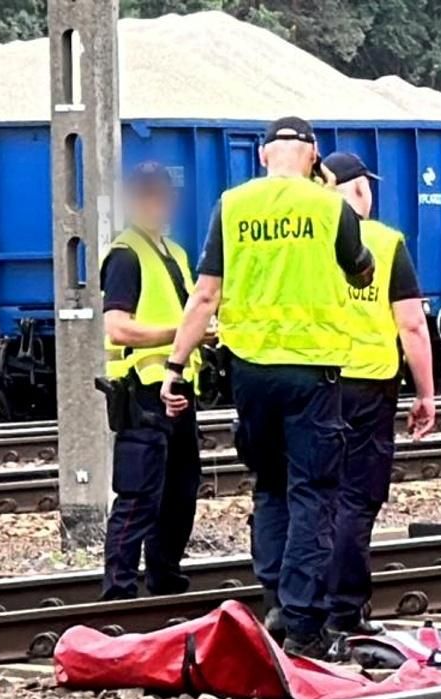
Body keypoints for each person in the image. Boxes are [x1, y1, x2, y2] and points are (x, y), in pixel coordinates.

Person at [160, 116, 378, 657]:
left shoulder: (231, 206)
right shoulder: (330, 207)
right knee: (313, 492)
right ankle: (304, 623)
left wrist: (175, 366)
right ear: (313, 158)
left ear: (262, 157)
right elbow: (361, 271)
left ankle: (276, 601)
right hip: (312, 370)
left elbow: (205, 295)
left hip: (251, 372)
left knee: (270, 485)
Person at [319, 151, 437, 646]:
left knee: (312, 498)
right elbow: (410, 323)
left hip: (316, 382)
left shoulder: (311, 242)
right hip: (369, 386)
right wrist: (427, 393)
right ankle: (345, 610)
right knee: (355, 500)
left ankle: (300, 607)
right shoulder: (386, 243)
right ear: (361, 189)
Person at [99, 161, 201, 600]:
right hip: (142, 390)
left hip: (177, 385)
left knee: (179, 493)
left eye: (161, 193)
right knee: (139, 494)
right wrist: (180, 334)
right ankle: (119, 589)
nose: (158, 202)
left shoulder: (174, 252)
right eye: (148, 194)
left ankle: (165, 577)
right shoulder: (126, 255)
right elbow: (118, 327)